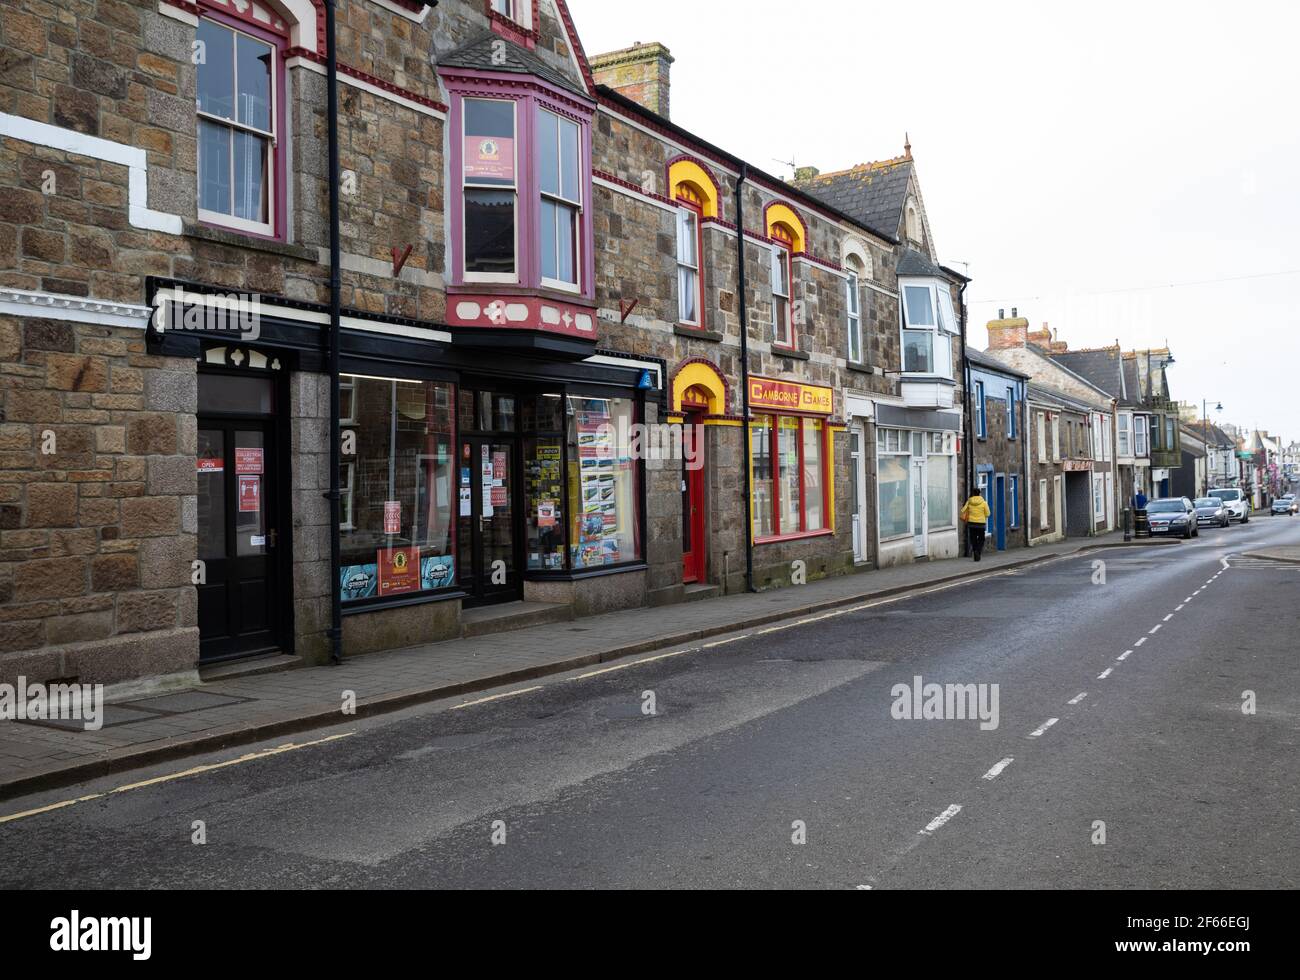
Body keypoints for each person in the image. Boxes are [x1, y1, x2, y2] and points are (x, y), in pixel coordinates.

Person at [960, 487, 991, 561]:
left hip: (971, 523)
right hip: (981, 524)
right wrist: (982, 516)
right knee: (981, 539)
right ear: (979, 493)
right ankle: (978, 551)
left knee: (973, 538)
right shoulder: (984, 503)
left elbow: (963, 510)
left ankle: (975, 550)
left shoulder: (969, 501)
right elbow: (988, 514)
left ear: (973, 493)